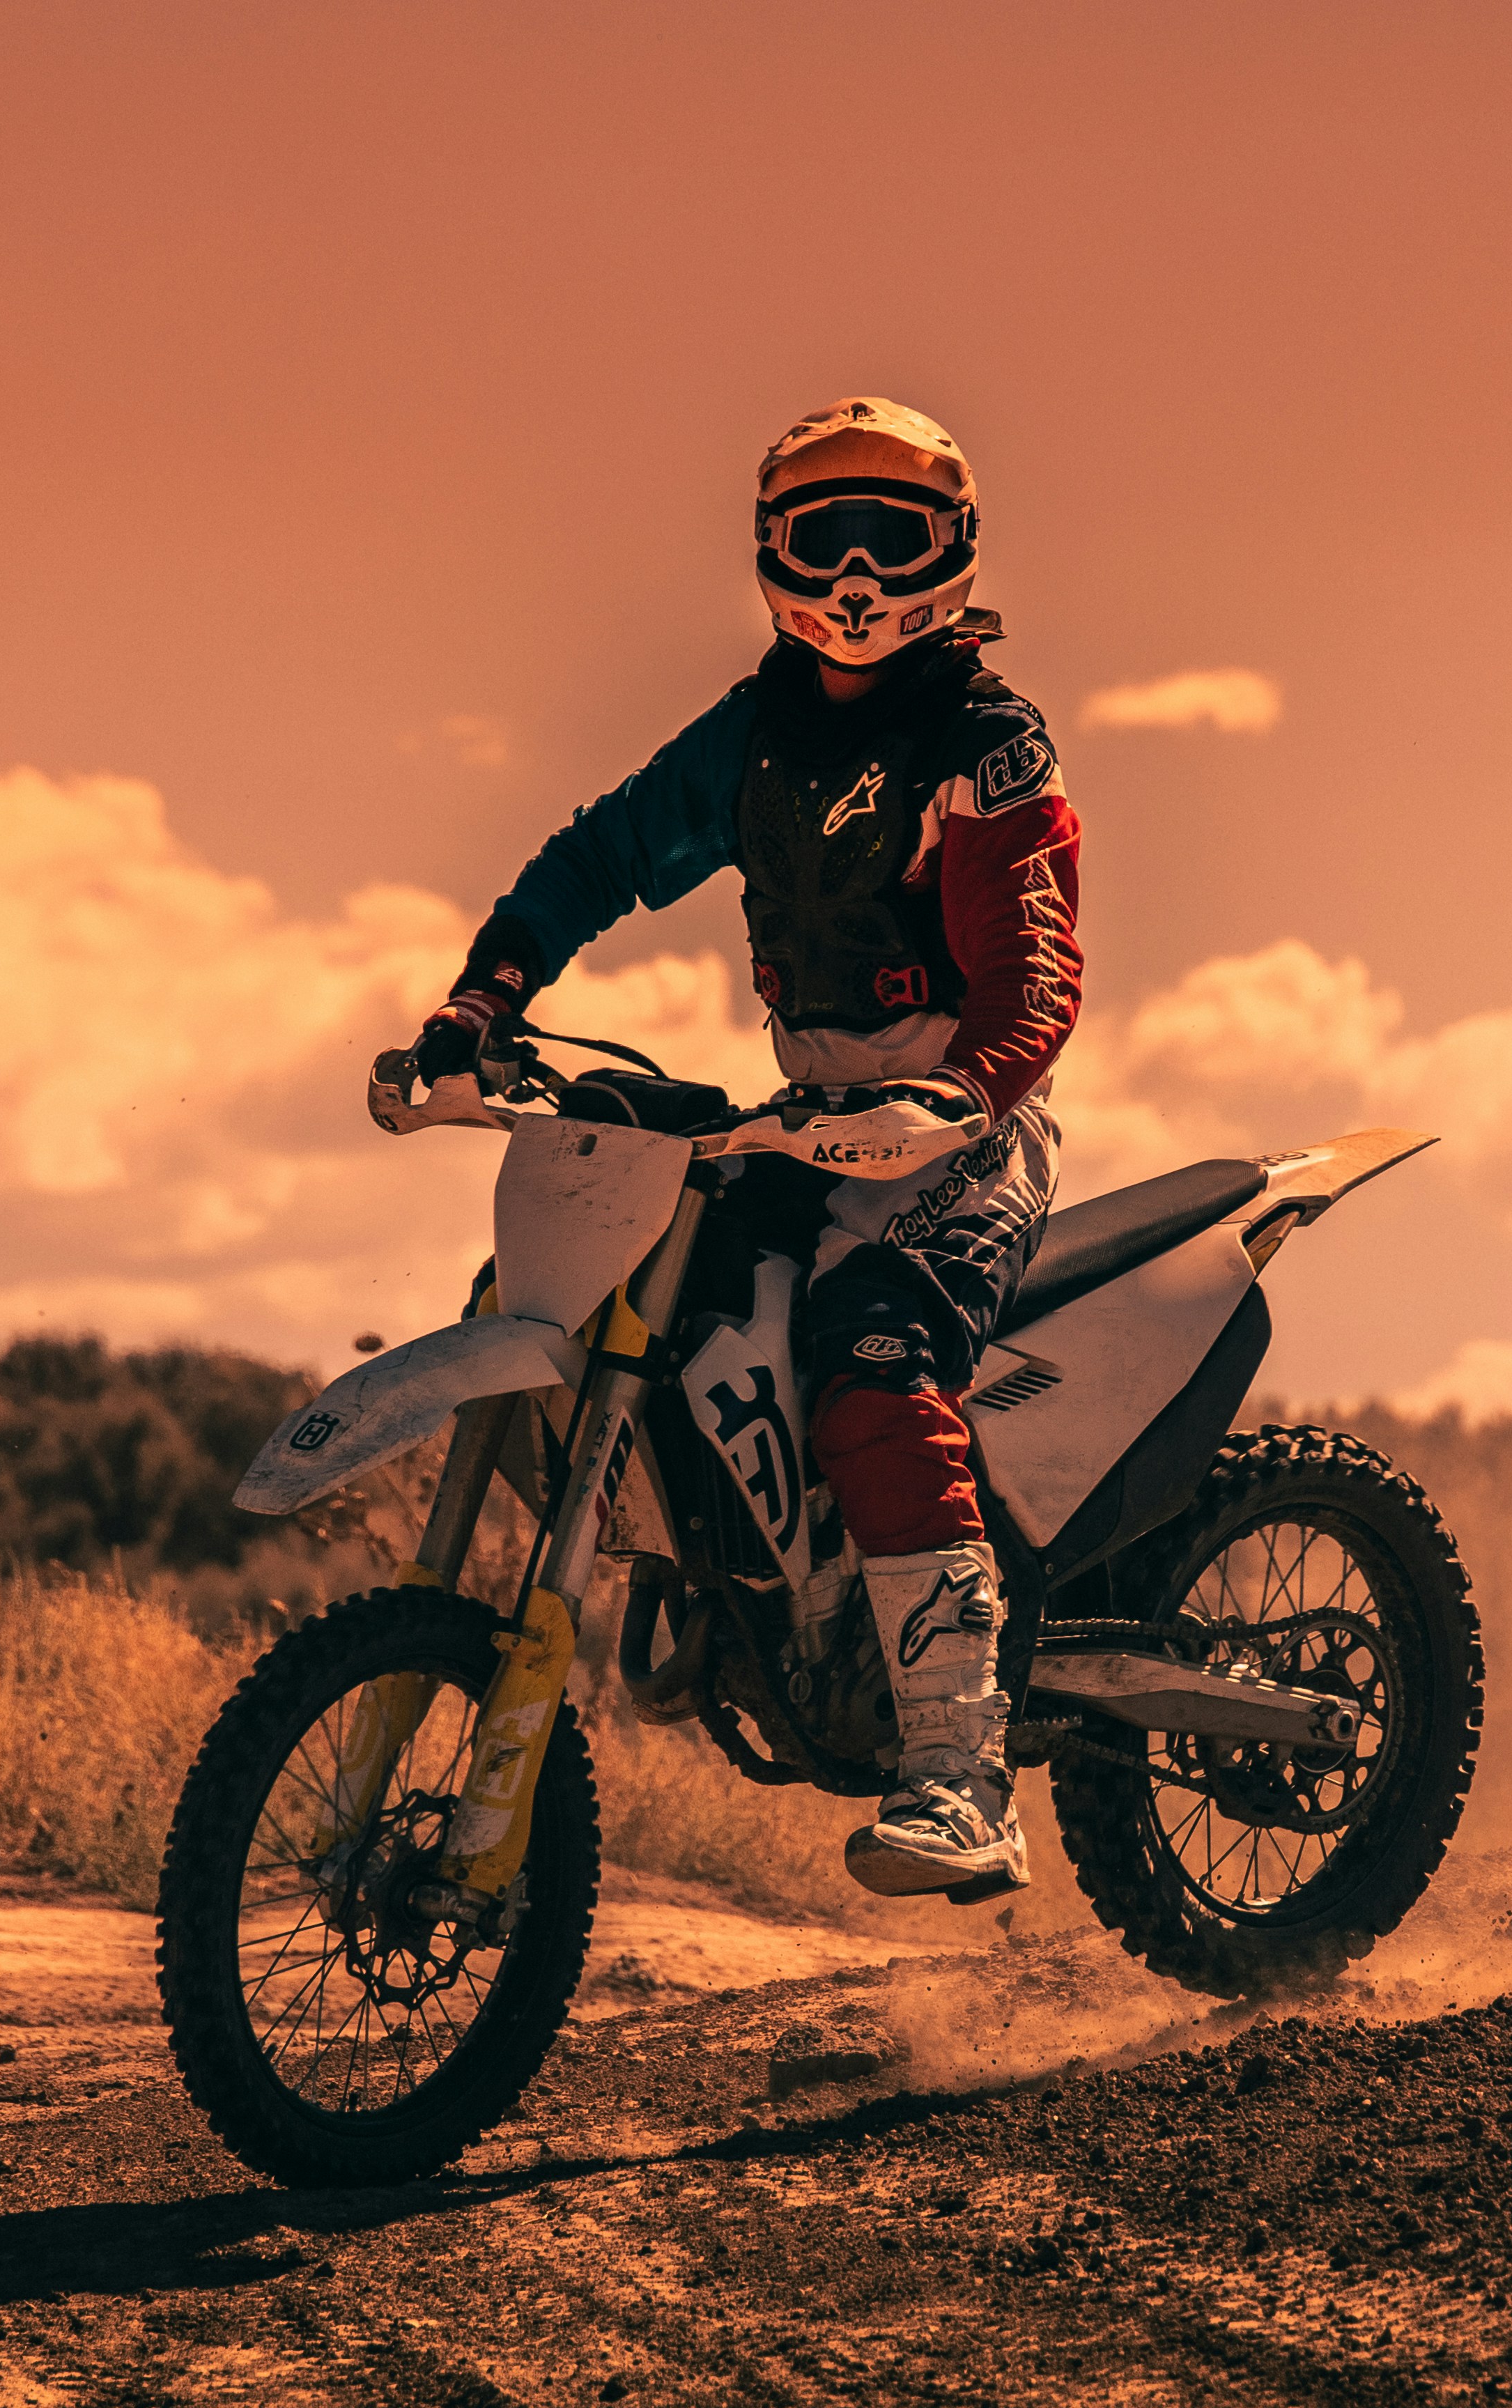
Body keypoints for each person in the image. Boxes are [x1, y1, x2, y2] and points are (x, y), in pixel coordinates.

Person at [403, 397, 1081, 1899]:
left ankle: (964, 1773)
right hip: (813, 1116)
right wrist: (481, 1001)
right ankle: (730, 1600)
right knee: (641, 1291)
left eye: (886, 538)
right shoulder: (757, 735)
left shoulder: (983, 739)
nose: (852, 573)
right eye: (817, 536)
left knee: (869, 1358)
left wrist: (958, 1096)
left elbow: (1036, 973)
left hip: (968, 1127)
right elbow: (600, 853)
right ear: (769, 552)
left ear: (950, 554)